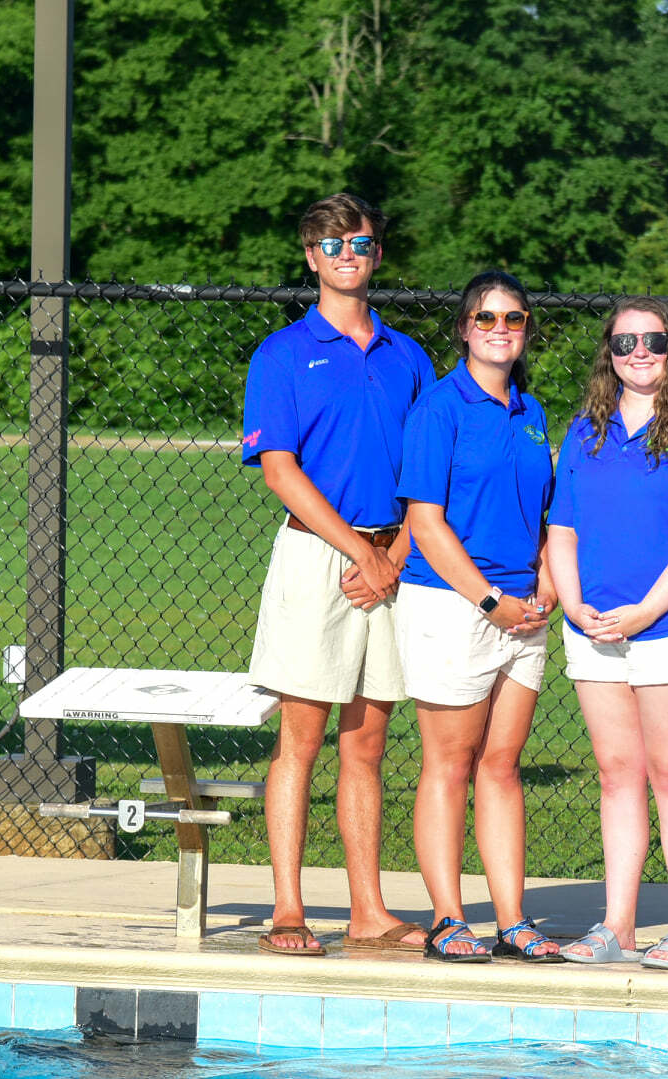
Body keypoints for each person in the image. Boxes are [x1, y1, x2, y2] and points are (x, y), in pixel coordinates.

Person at [240, 192, 438, 957]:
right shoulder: (283, 353)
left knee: (368, 744)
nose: (346, 255)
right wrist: (360, 554)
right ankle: (288, 909)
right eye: (331, 244)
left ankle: (368, 911)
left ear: (377, 255)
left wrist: (392, 557)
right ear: (309, 257)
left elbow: (428, 472)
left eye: (359, 242)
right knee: (302, 738)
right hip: (320, 556)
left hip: (395, 561)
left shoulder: (408, 357)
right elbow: (280, 471)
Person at [546, 298, 668, 971]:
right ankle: (617, 926)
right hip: (595, 628)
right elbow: (562, 528)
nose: (639, 353)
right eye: (625, 343)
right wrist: (573, 603)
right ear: (609, 352)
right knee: (617, 772)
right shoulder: (585, 432)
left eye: (653, 340)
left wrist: (646, 612)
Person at [394, 270, 562, 963]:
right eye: (487, 319)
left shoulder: (532, 412)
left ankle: (513, 919)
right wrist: (490, 600)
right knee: (449, 763)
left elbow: (545, 515)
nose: (501, 330)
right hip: (453, 604)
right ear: (464, 328)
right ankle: (446, 917)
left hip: (524, 607)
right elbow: (425, 524)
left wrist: (544, 586)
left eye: (514, 319)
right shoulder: (440, 409)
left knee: (501, 765)